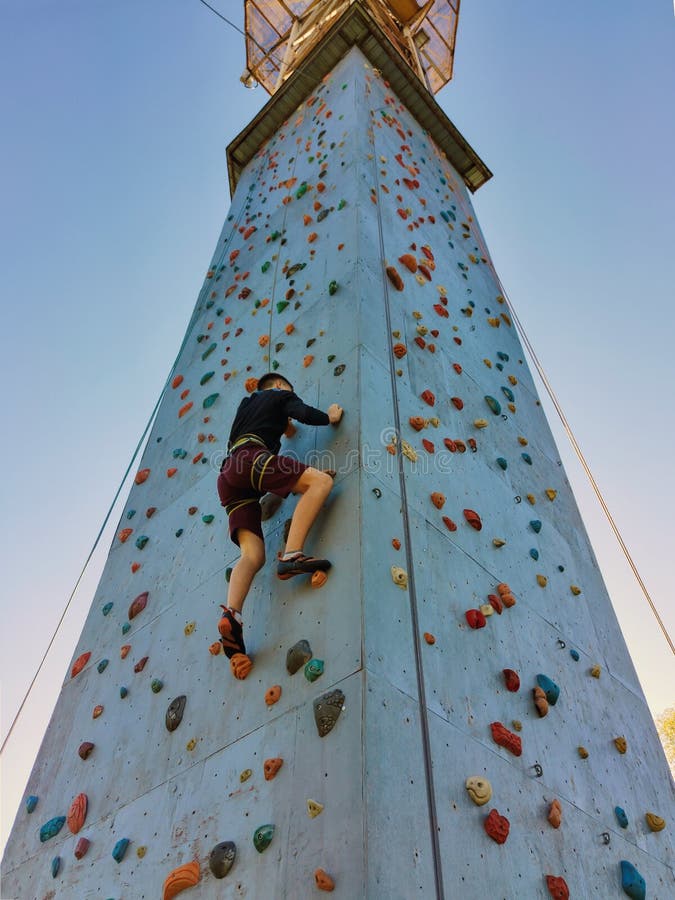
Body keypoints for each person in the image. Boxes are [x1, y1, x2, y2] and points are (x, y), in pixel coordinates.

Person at [216, 372, 343, 674]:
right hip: (251, 460)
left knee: (252, 555)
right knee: (320, 483)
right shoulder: (278, 395)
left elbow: (283, 424)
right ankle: (292, 554)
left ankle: (232, 614)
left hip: (229, 476)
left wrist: (285, 428)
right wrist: (330, 417)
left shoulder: (246, 408)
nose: (291, 393)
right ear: (277, 387)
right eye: (290, 388)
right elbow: (300, 412)